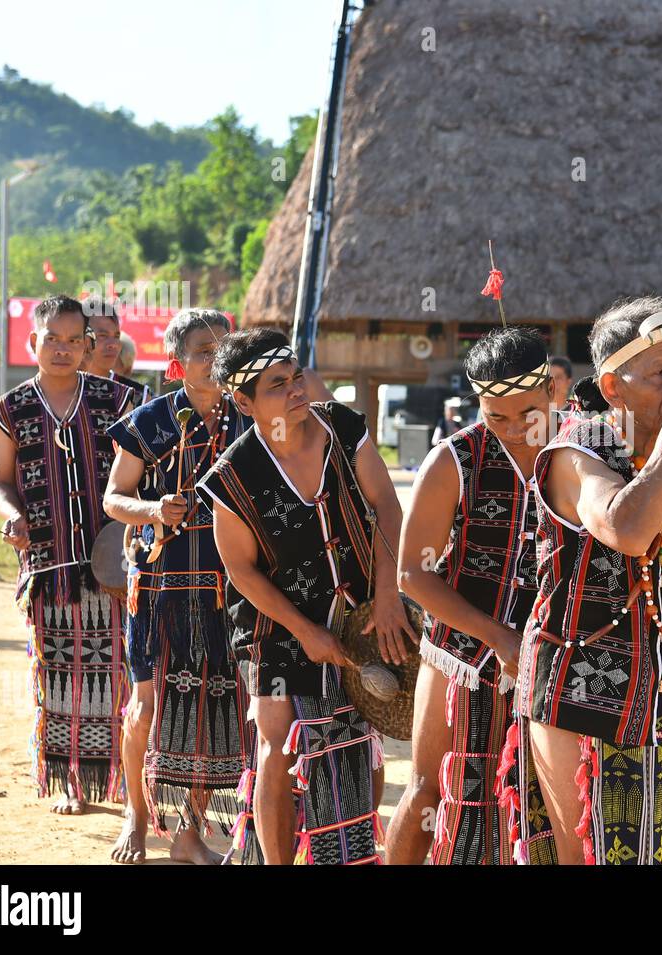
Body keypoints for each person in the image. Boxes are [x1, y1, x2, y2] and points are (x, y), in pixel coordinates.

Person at [511, 296, 662, 865]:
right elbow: (630, 530)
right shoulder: (578, 445)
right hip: (575, 680)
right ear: (614, 387)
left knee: (659, 852)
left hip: (658, 681)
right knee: (588, 854)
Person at [197, 328, 415, 865]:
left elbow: (387, 505)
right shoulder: (232, 477)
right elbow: (241, 573)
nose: (296, 391)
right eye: (277, 385)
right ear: (243, 402)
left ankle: (352, 853)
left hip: (364, 608)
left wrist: (387, 596)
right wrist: (305, 631)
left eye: (295, 378)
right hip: (275, 628)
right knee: (278, 742)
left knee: (364, 732)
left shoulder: (341, 427)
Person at [390, 326, 558, 865]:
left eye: (525, 412)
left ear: (552, 392)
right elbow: (413, 576)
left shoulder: (581, 454)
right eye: (495, 415)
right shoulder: (452, 460)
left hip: (553, 656)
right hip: (458, 655)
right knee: (428, 791)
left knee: (533, 806)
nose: (510, 428)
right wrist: (498, 637)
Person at [103, 308, 250, 864]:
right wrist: (153, 508)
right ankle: (137, 817)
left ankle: (188, 834)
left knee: (213, 710)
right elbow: (113, 497)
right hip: (160, 587)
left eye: (223, 350)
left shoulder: (250, 420)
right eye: (202, 353)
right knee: (146, 706)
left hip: (229, 590)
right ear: (175, 364)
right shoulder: (150, 420)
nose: (215, 362)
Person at [0, 295, 135, 813]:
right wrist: (10, 514)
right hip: (48, 569)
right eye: (53, 338)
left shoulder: (116, 403)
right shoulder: (10, 409)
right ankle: (69, 780)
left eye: (75, 340)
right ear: (33, 343)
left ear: (88, 345)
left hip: (112, 564)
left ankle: (117, 778)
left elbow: (138, 477)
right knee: (57, 672)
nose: (64, 349)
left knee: (112, 670)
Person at [81, 297, 152, 407]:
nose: (113, 344)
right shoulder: (56, 389)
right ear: (80, 338)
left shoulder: (139, 397)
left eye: (116, 336)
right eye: (103, 336)